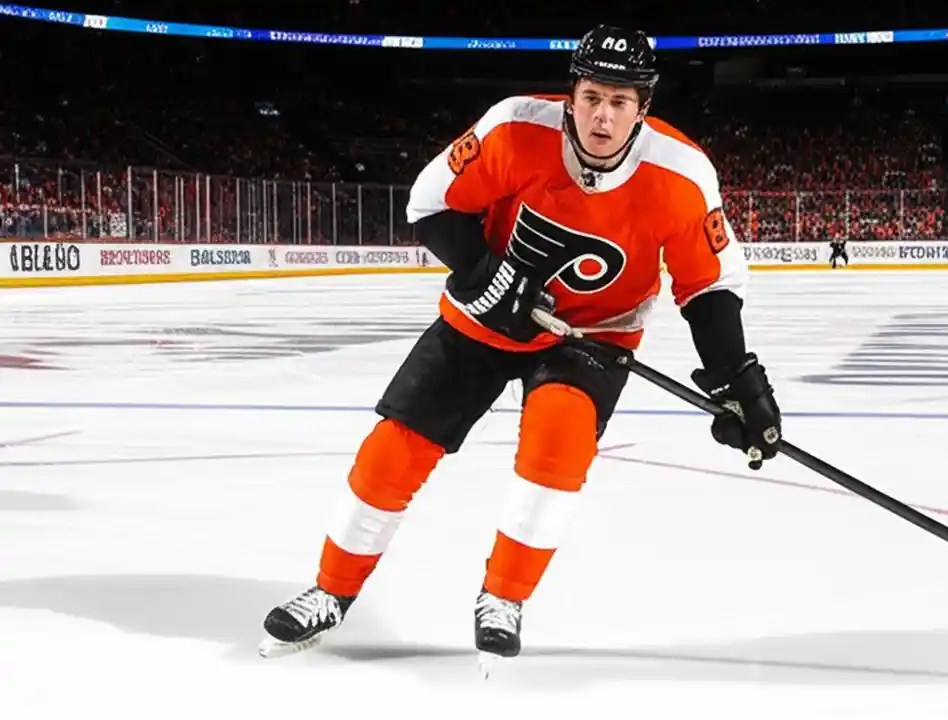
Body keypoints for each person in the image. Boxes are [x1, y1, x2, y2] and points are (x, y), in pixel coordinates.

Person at [257, 25, 784, 671]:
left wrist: (739, 382)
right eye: (592, 96)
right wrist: (485, 274)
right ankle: (331, 591)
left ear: (643, 108)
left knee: (556, 451)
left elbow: (709, 284)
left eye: (620, 102)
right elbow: (429, 204)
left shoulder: (681, 174)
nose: (602, 114)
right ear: (572, 94)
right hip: (484, 320)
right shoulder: (513, 128)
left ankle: (503, 598)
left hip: (594, 336)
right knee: (395, 448)